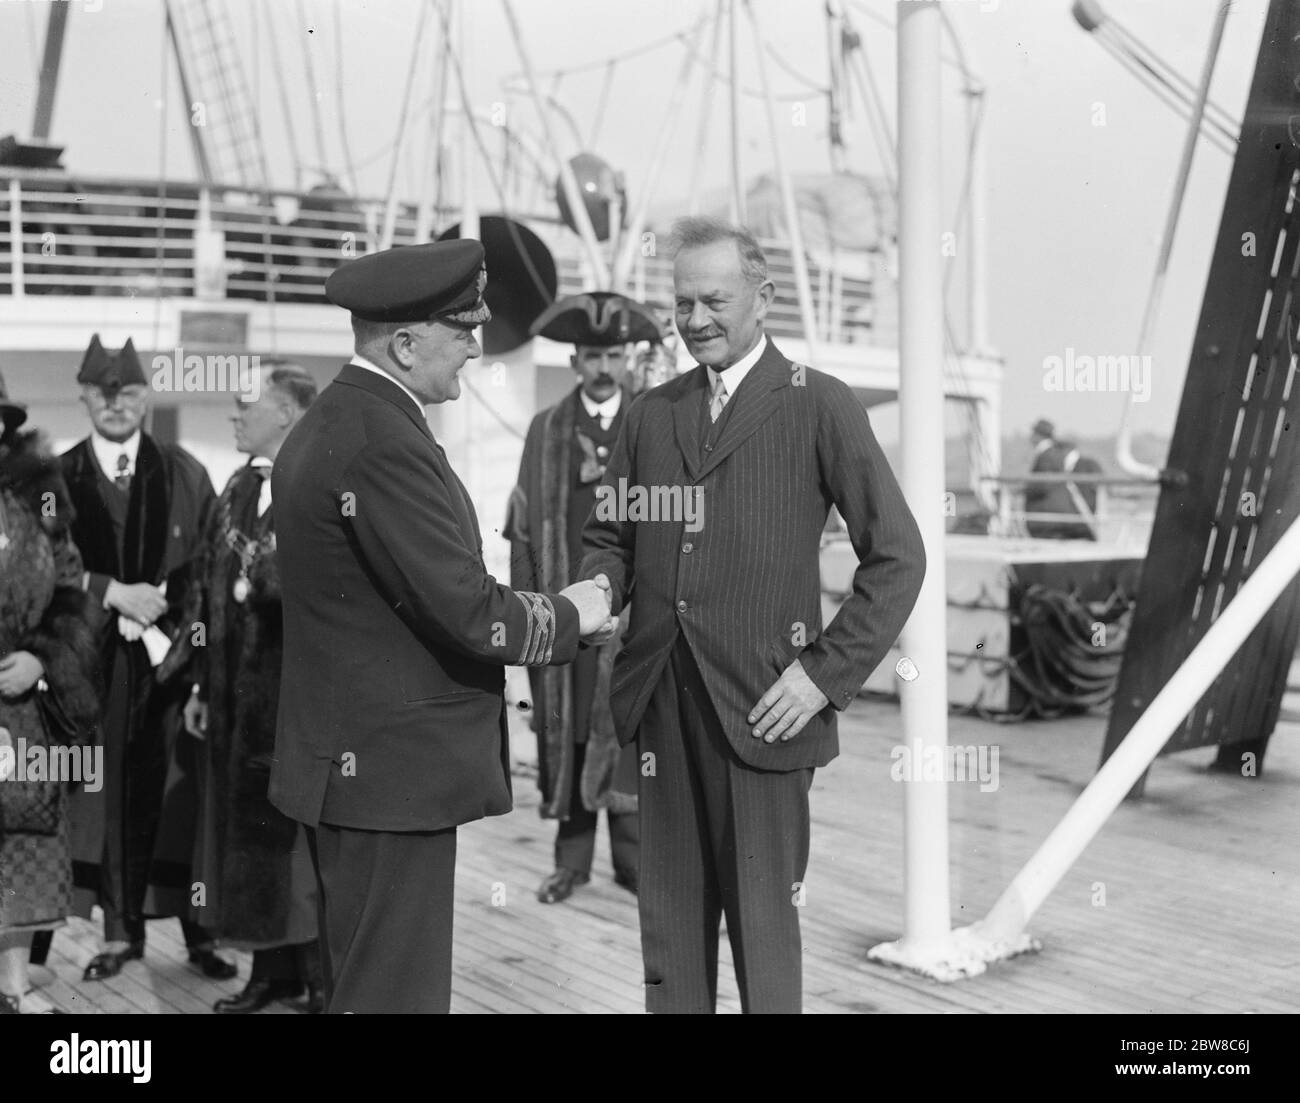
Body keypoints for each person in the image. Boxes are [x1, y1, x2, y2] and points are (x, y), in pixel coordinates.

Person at [580, 216, 926, 1013]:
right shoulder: (650, 414)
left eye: (714, 300)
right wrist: (597, 589)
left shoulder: (818, 405)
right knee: (669, 930)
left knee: (766, 935)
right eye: (681, 304)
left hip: (767, 709)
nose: (695, 319)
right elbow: (612, 536)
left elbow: (899, 557)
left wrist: (824, 677)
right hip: (662, 702)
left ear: (763, 298)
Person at [269, 239, 616, 1014]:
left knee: (363, 984)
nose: (473, 348)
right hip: (390, 778)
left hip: (355, 766)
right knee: (396, 994)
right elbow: (466, 609)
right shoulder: (384, 442)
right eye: (461, 333)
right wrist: (575, 612)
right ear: (404, 342)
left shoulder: (338, 422)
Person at [58, 335, 235, 983]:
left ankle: (202, 933)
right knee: (109, 801)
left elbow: (215, 567)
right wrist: (109, 591)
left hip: (176, 664)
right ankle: (119, 931)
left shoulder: (185, 472)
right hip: (96, 666)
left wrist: (188, 638)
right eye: (103, 393)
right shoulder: (58, 480)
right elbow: (39, 566)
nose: (115, 403)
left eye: (128, 391)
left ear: (145, 396)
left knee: (184, 797)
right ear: (83, 395)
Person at [160, 360, 323, 1014]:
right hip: (233, 697)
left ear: (284, 412)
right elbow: (204, 588)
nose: (231, 415)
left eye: (242, 405)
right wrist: (199, 682)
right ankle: (270, 971)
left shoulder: (314, 480)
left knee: (299, 847)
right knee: (250, 836)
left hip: (294, 699)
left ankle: (319, 977)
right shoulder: (234, 487)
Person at [506, 292, 663, 905]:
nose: (603, 366)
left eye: (614, 355)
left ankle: (633, 861)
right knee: (567, 730)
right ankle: (571, 863)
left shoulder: (649, 423)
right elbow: (520, 524)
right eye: (593, 354)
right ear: (575, 360)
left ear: (627, 360)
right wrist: (531, 614)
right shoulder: (547, 429)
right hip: (566, 609)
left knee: (626, 733)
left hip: (630, 613)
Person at [0, 371, 100, 1014]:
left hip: (18, 703)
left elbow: (70, 591)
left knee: (24, 839)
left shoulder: (39, 496)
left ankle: (12, 985)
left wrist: (39, 660)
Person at [1025, 418, 1098, 540]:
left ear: (1037, 435)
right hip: (1061, 517)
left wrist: (1025, 490)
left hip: (1049, 521)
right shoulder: (1053, 455)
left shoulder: (1047, 455)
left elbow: (1044, 484)